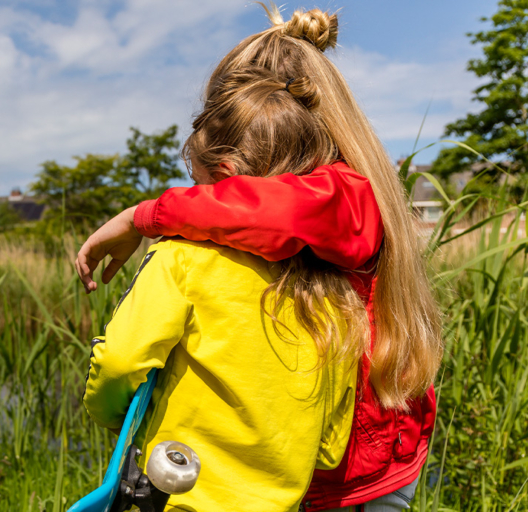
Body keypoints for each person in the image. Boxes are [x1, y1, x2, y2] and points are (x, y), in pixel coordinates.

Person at [77, 6, 442, 512]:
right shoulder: (348, 190)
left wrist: (143, 216)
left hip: (358, 472)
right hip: (329, 460)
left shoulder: (345, 195)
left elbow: (271, 208)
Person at [84, 67, 366, 511]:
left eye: (197, 184)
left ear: (227, 174)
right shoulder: (335, 289)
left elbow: (120, 362)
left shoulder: (181, 257)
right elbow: (330, 448)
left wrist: (113, 418)